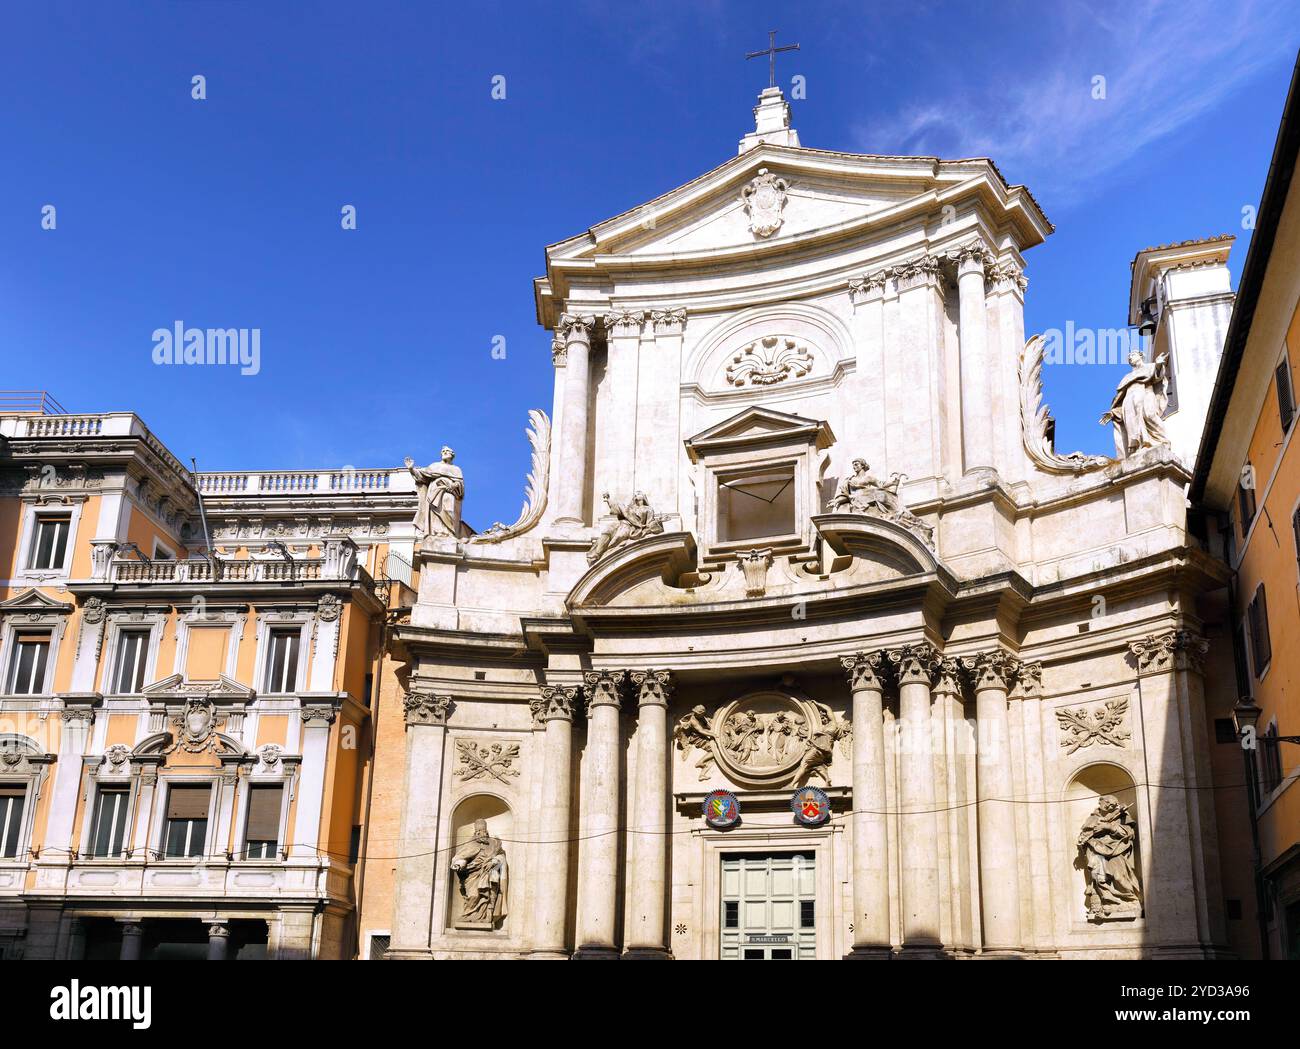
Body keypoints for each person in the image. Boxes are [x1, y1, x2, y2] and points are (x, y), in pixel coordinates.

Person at [1077, 795, 1141, 918]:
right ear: (1100, 802)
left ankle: (1130, 900)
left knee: (1119, 876)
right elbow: (1084, 834)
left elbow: (1129, 833)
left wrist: (1109, 827)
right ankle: (1108, 902)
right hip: (1096, 850)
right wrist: (1083, 839)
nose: (1109, 806)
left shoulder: (1121, 816)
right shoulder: (1093, 818)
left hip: (1116, 850)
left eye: (1112, 804)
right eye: (1107, 803)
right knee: (1099, 876)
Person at [1100, 351, 1170, 457]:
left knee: (1149, 415)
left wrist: (1159, 365)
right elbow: (1120, 400)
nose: (1130, 358)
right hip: (1129, 399)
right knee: (1132, 423)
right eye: (1128, 357)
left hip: (1146, 393)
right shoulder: (1127, 377)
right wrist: (1114, 412)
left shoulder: (1150, 367)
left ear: (1141, 355)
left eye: (1132, 355)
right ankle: (1141, 446)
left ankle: (1162, 442)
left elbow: (1158, 376)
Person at [450, 819, 507, 925]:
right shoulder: (470, 845)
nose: (483, 833)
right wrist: (459, 863)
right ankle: (468, 915)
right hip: (473, 875)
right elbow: (460, 857)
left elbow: (501, 856)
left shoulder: (494, 843)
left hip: (488, 873)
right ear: (476, 833)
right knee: (473, 896)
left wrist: (494, 861)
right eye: (479, 831)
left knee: (488, 895)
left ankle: (486, 917)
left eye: (484, 831)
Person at [586, 491, 663, 563]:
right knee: (607, 531)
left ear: (644, 498)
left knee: (618, 536)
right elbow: (618, 508)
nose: (637, 496)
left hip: (632, 528)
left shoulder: (648, 509)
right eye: (636, 495)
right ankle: (596, 554)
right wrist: (608, 499)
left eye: (640, 495)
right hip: (622, 523)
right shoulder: (630, 508)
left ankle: (607, 552)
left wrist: (659, 521)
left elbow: (650, 522)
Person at [406, 446, 464, 538]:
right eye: (443, 451)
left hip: (448, 492)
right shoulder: (435, 466)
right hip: (434, 493)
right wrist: (411, 469)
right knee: (434, 514)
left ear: (452, 455)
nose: (444, 452)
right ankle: (436, 533)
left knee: (449, 510)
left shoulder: (456, 469)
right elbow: (422, 475)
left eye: (447, 451)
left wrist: (454, 485)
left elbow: (460, 484)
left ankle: (449, 532)